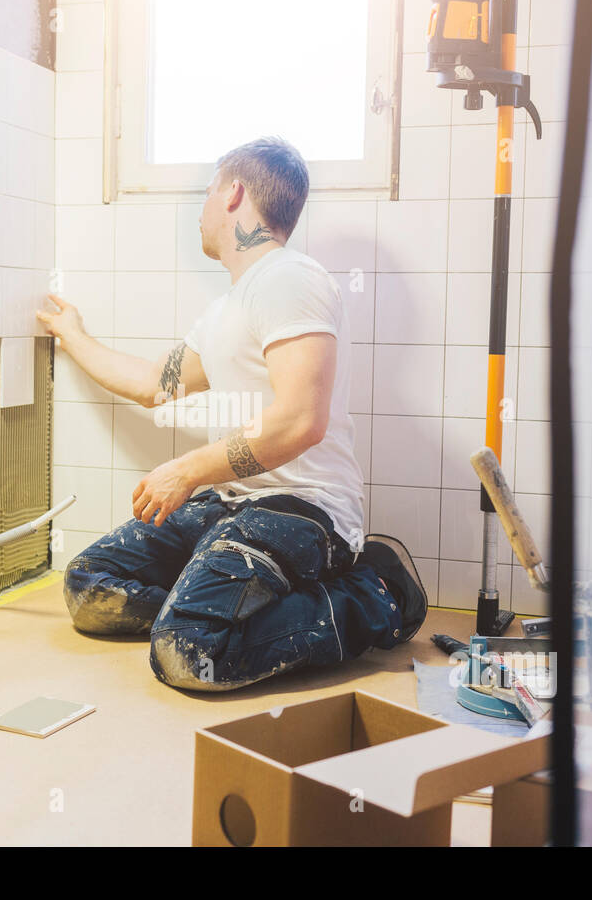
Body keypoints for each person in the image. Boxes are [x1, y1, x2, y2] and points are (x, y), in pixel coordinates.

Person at [36, 136, 427, 691]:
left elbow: (300, 421)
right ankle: (210, 601)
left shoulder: (290, 279)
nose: (197, 211)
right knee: (90, 585)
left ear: (234, 192)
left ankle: (375, 595)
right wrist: (74, 337)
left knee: (187, 652)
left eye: (206, 192)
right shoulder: (228, 309)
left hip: (303, 511)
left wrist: (186, 470)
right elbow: (153, 384)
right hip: (232, 505)